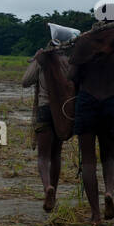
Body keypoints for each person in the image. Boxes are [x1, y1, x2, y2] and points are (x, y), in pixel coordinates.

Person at [72, 26, 114, 224]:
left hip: (86, 101)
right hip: (110, 102)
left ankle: (95, 214)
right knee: (109, 158)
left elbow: (71, 75)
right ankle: (109, 192)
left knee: (89, 161)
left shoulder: (85, 42)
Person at [22, 46, 70, 213]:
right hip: (62, 111)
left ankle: (47, 187)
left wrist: (36, 60)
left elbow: (25, 81)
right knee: (56, 154)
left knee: (43, 156)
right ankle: (54, 193)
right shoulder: (68, 60)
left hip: (44, 108)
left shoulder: (42, 59)